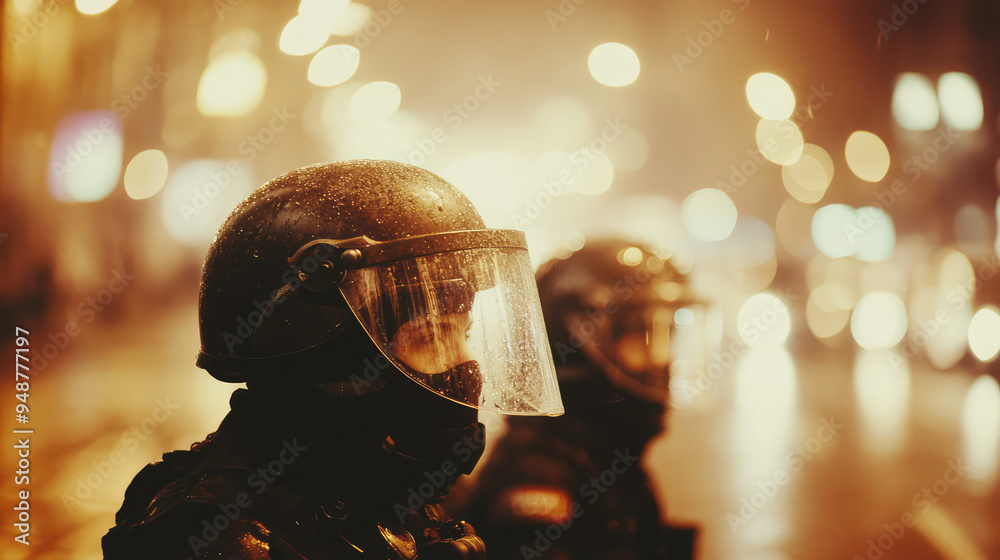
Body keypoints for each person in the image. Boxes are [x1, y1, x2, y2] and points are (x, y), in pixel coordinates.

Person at [102, 160, 564, 559]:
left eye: (463, 334)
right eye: (430, 337)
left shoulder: (375, 494)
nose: (465, 367)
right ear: (331, 359)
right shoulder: (219, 539)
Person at [461, 239, 700, 559]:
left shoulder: (603, 457)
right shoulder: (538, 473)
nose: (659, 358)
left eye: (665, 335)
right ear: (571, 343)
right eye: (638, 334)